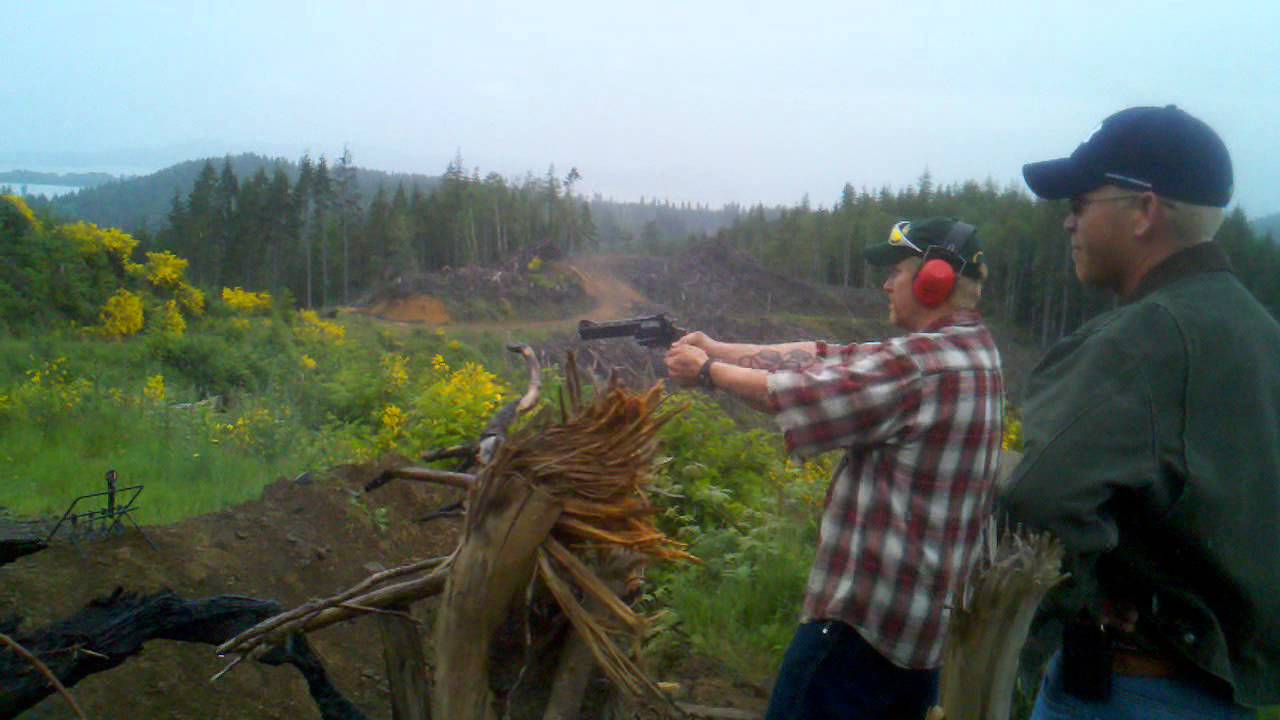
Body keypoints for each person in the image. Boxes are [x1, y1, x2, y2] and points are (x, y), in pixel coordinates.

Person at [1002, 105, 1280, 718]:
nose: (1068, 224)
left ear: (1145, 211)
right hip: (1226, 694)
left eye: (1078, 203)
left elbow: (1035, 502)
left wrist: (1087, 594)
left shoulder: (1134, 342)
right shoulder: (1263, 336)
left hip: (1124, 688)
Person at [665, 218, 1004, 719]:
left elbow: (804, 392)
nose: (886, 284)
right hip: (920, 636)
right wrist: (717, 347)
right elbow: (823, 358)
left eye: (898, 271)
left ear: (935, 278)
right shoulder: (971, 352)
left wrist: (708, 373)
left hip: (860, 634)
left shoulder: (920, 364)